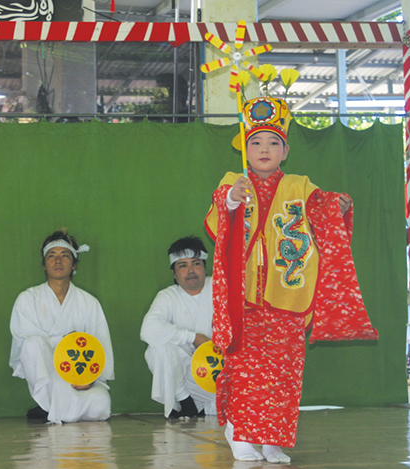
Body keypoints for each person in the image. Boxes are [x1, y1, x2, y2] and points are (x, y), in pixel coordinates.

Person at [204, 97, 378, 463]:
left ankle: (271, 440)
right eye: (255, 143)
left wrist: (336, 205)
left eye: (272, 143)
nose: (263, 149)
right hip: (246, 297)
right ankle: (239, 433)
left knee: (283, 374)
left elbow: (320, 206)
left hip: (288, 296)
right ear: (244, 149)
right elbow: (216, 218)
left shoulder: (300, 185)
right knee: (247, 369)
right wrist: (232, 199)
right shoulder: (233, 182)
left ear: (286, 150)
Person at [9, 229, 114, 424]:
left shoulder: (89, 303)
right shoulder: (27, 298)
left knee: (101, 404)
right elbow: (27, 344)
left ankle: (54, 408)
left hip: (81, 373)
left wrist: (89, 378)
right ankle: (55, 405)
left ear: (74, 264)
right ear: (44, 265)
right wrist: (66, 341)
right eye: (52, 256)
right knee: (32, 344)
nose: (58, 261)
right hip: (47, 370)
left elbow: (101, 346)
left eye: (64, 256)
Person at [140, 236, 216, 419]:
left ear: (205, 267)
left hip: (216, 373)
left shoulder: (219, 288)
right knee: (157, 346)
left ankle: (201, 410)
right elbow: (148, 329)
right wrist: (192, 337)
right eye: (182, 265)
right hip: (182, 379)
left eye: (196, 263)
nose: (190, 270)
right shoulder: (168, 296)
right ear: (174, 273)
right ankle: (185, 402)